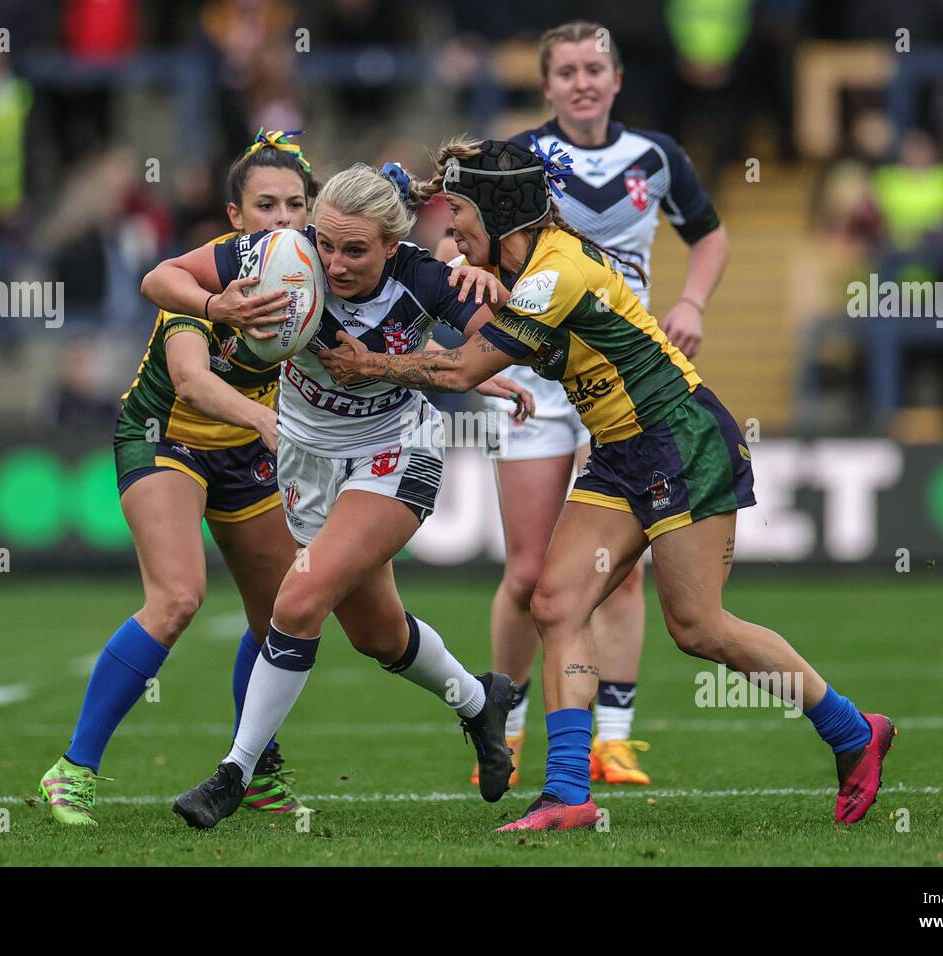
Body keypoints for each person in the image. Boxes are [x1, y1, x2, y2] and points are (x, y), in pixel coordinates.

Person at [320, 137, 895, 832]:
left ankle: (853, 732)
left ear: (502, 217)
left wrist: (374, 365)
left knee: (699, 627)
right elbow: (476, 294)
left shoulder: (551, 276)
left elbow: (462, 371)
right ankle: (568, 794)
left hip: (680, 440)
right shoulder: (527, 259)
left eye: (462, 216)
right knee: (557, 602)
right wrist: (447, 237)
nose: (451, 232)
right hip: (624, 450)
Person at [139, 160, 535, 830]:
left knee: (297, 599)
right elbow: (159, 277)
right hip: (307, 457)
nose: (336, 262)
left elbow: (504, 344)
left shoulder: (427, 278)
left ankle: (234, 772)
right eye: (327, 243)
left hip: (396, 452)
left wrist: (392, 363)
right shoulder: (282, 254)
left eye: (356, 250)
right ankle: (479, 701)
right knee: (378, 635)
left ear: (392, 246)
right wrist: (216, 305)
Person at [468, 19, 730, 789]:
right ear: (546, 85)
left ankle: (612, 737)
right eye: (568, 71)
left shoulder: (656, 156)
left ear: (617, 80)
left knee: (619, 570)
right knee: (525, 572)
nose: (583, 81)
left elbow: (709, 236)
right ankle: (506, 730)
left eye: (595, 68)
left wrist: (695, 302)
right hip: (535, 374)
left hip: (623, 380)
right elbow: (466, 245)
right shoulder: (515, 160)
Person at [38, 130, 317, 825]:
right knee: (178, 598)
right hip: (166, 438)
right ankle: (71, 769)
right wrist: (265, 420)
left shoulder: (317, 277)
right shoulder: (203, 281)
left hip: (245, 453)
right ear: (235, 218)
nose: (281, 220)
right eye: (265, 206)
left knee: (281, 615)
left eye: (294, 205)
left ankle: (253, 767)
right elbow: (191, 382)